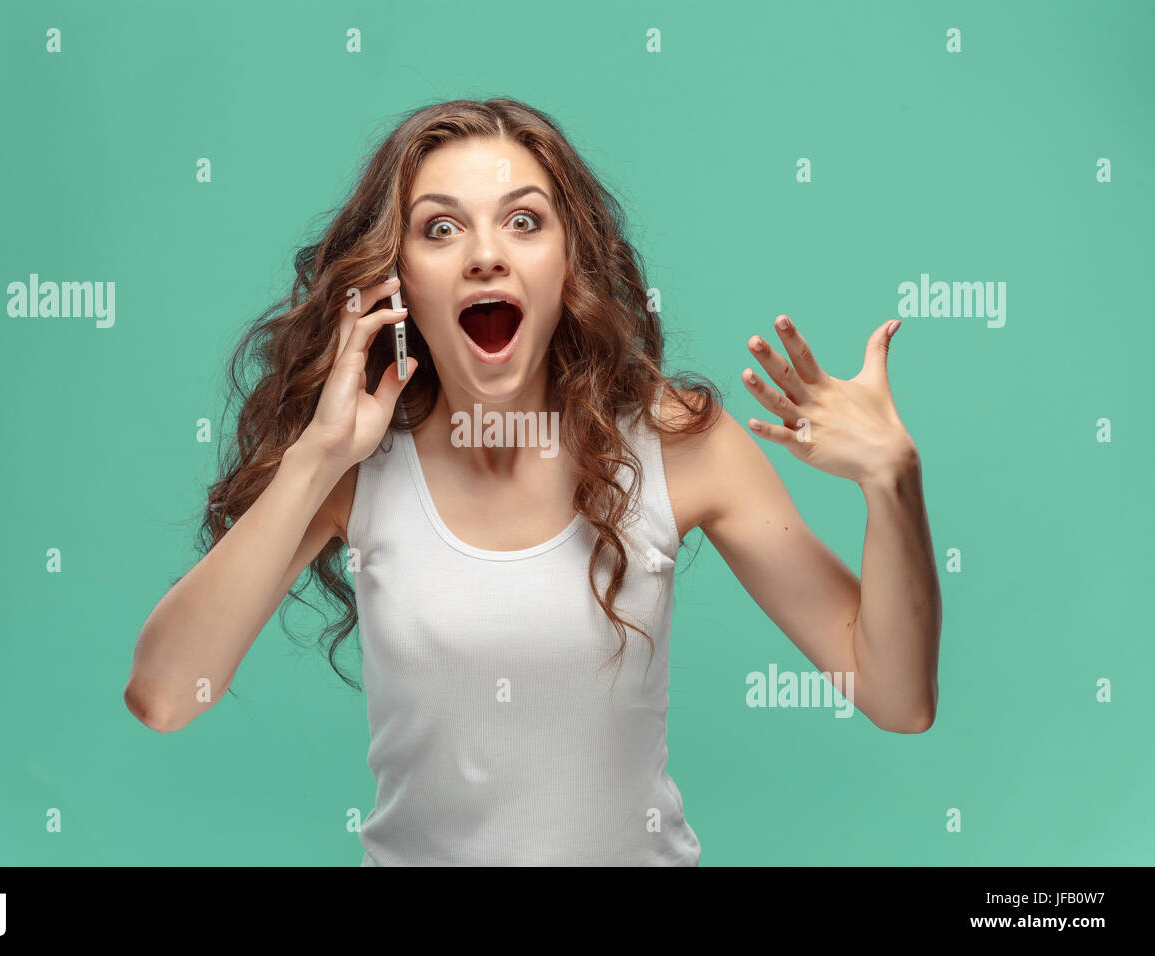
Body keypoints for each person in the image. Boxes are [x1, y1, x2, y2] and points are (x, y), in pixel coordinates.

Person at [124, 98, 942, 866]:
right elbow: (163, 696)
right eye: (440, 228)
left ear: (567, 264)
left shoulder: (677, 440)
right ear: (397, 277)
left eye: (523, 221)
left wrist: (891, 483)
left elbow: (897, 699)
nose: (486, 254)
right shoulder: (356, 469)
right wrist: (317, 456)